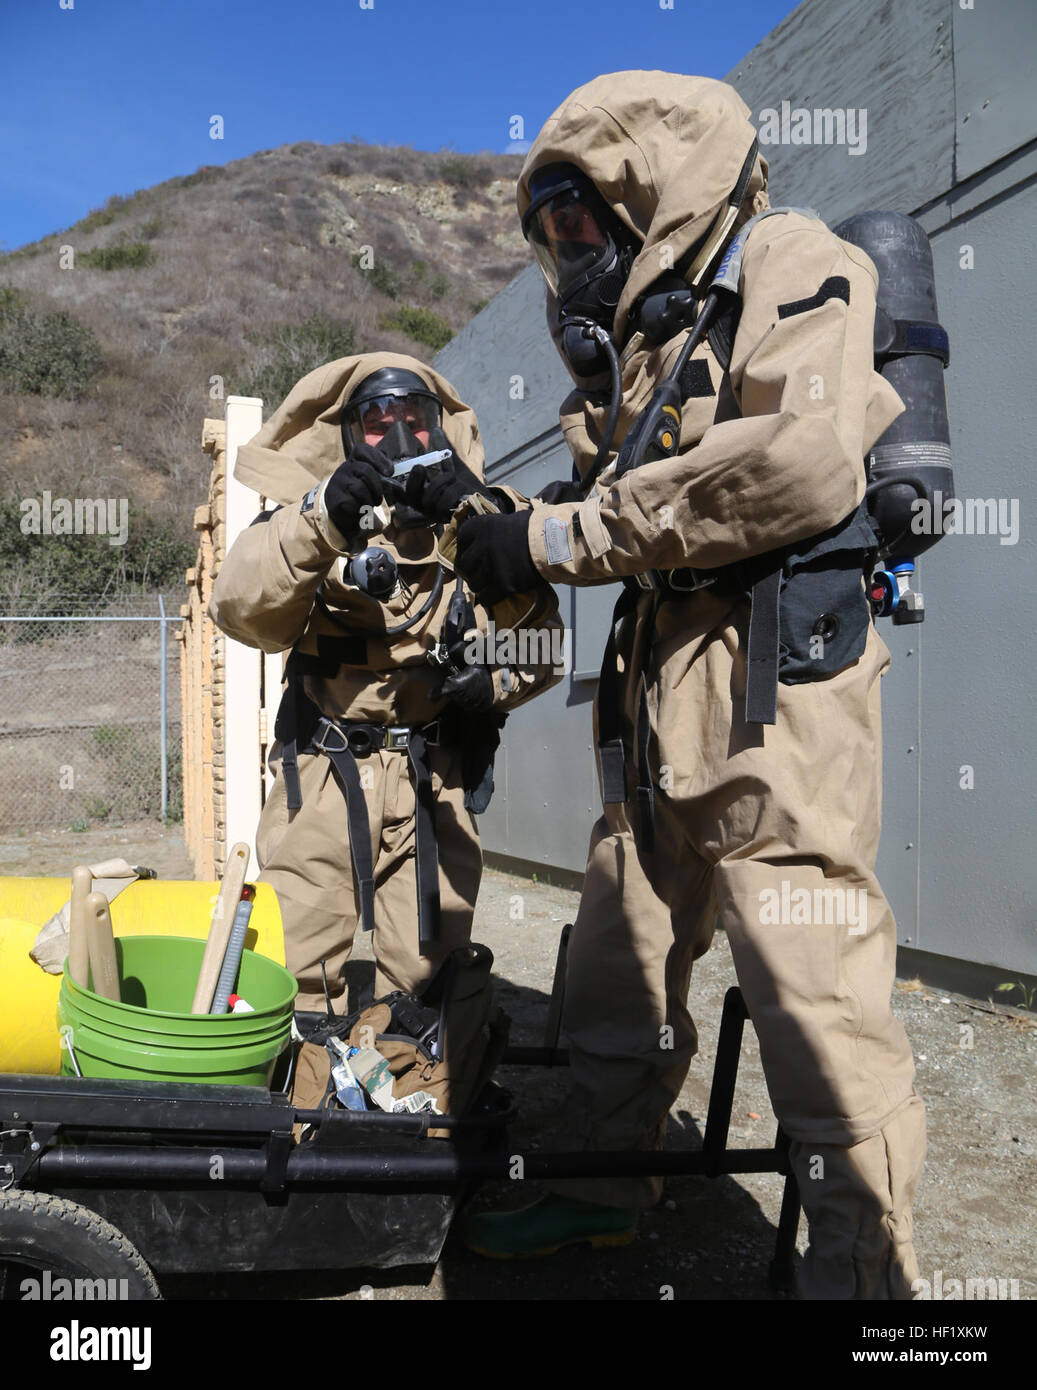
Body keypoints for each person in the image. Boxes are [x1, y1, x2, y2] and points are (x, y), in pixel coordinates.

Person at [457, 73, 926, 1299]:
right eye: (550, 231)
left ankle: (867, 1273)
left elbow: (799, 456)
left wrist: (556, 539)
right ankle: (603, 1188)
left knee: (810, 984)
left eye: (582, 221)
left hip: (776, 685)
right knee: (620, 950)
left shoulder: (786, 258)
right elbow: (630, 504)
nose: (569, 254)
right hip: (656, 685)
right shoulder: (647, 340)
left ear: (657, 193)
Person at [209, 353, 563, 1110]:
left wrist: (491, 682)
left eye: (416, 421)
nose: (399, 438)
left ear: (443, 430)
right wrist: (319, 522)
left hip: (433, 773)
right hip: (324, 768)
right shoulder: (307, 526)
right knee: (303, 956)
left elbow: (544, 643)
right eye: (377, 423)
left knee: (427, 962)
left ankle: (414, 1120)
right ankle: (302, 1125)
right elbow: (241, 610)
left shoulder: (478, 529)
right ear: (348, 437)